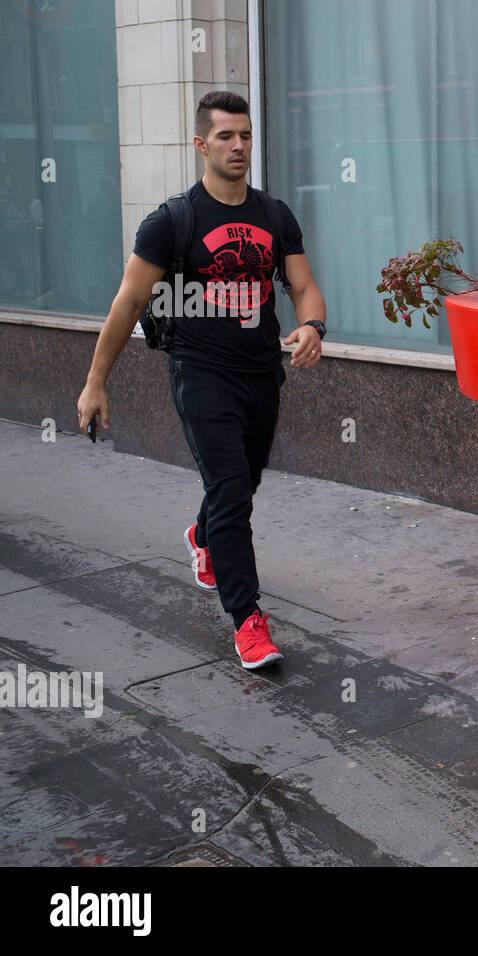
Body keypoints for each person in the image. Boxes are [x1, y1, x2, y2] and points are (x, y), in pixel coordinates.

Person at [76, 91, 327, 670]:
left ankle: (203, 535)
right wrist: (95, 383)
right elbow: (129, 300)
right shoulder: (172, 221)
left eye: (245, 136)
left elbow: (303, 285)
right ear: (200, 144)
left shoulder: (273, 214)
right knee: (233, 492)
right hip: (200, 372)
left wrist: (312, 324)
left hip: (262, 372)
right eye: (225, 137)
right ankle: (248, 621)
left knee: (244, 480)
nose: (238, 146)